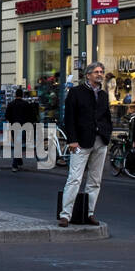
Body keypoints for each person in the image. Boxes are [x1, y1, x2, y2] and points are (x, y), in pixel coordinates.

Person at [57, 61, 111, 227]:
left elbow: (106, 116)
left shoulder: (103, 94)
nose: (100, 74)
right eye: (96, 72)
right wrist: (72, 140)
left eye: (101, 71)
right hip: (80, 141)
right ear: (88, 75)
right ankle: (65, 215)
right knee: (74, 178)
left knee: (95, 180)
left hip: (100, 140)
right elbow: (69, 118)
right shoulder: (76, 92)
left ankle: (89, 213)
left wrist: (107, 132)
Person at [7, 89, 31, 171]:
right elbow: (30, 116)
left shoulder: (11, 104)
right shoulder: (26, 104)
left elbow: (7, 116)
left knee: (17, 144)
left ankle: (18, 162)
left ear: (15, 95)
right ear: (22, 95)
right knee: (19, 144)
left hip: (14, 126)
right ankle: (15, 164)